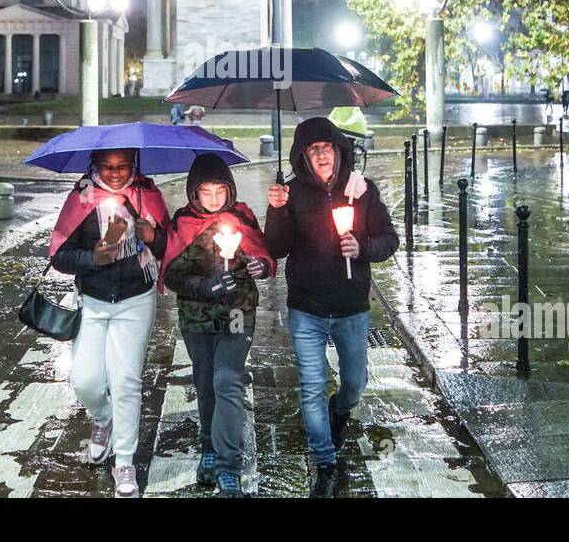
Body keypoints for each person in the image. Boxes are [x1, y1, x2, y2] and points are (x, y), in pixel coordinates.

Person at [264, 117, 399, 498]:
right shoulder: (290, 194)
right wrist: (276, 210)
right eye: (313, 149)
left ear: (340, 151)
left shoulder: (361, 190)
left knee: (354, 384)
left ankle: (339, 411)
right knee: (311, 387)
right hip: (306, 307)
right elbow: (276, 249)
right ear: (303, 156)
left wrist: (363, 248)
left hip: (351, 307)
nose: (321, 154)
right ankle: (325, 461)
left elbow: (389, 239)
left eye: (327, 147)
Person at [49, 148, 169, 498]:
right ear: (95, 166)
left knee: (126, 381)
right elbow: (60, 255)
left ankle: (125, 462)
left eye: (123, 166)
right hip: (94, 302)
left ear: (133, 165)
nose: (116, 173)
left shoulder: (147, 192)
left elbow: (168, 245)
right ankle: (104, 419)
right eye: (107, 167)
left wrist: (153, 238)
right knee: (85, 380)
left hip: (135, 298)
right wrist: (93, 257)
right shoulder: (82, 194)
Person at [160, 153, 274, 498]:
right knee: (206, 381)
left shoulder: (242, 217)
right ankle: (208, 447)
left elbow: (265, 254)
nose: (213, 199)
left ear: (230, 190)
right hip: (197, 318)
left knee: (227, 379)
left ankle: (228, 465)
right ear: (194, 193)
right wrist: (204, 286)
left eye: (219, 191)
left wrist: (261, 266)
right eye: (205, 192)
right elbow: (172, 274)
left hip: (238, 314)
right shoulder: (182, 223)